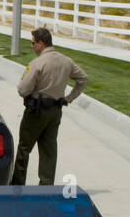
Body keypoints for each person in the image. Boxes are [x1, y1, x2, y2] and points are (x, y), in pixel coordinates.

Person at [10, 28, 88, 186]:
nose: (32, 46)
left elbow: (22, 89)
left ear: (40, 43)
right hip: (55, 111)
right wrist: (69, 98)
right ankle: (46, 185)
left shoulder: (38, 63)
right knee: (49, 150)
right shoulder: (66, 61)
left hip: (36, 111)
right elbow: (83, 79)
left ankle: (18, 184)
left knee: (25, 147)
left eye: (33, 43)